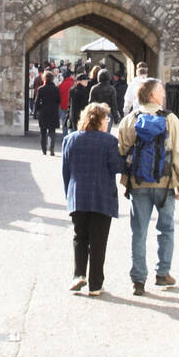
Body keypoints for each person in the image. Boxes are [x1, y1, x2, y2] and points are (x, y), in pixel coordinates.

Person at [117, 78, 179, 295]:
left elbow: (122, 151)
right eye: (161, 92)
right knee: (166, 229)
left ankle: (138, 279)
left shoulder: (130, 120)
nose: (164, 95)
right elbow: (178, 153)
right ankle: (162, 273)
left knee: (138, 231)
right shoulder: (170, 119)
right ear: (152, 96)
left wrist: (125, 179)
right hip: (165, 183)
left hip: (138, 183)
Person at [62, 102, 128, 296]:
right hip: (101, 195)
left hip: (78, 195)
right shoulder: (108, 141)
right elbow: (117, 166)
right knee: (98, 241)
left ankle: (78, 274)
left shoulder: (70, 139)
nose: (108, 121)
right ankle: (95, 284)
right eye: (106, 118)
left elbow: (66, 171)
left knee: (79, 237)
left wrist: (69, 194)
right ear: (100, 120)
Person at [33, 70, 61, 156]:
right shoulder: (56, 89)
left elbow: (37, 102)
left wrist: (37, 110)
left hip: (43, 111)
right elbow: (58, 100)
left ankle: (44, 149)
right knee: (52, 131)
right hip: (53, 111)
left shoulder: (41, 89)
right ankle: (51, 148)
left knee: (43, 131)